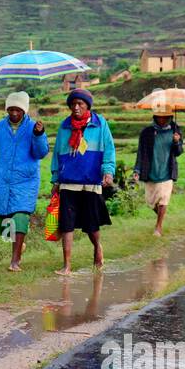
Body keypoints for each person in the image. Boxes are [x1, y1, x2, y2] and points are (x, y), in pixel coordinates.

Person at [50, 89, 115, 273]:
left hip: (91, 181)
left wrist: (108, 171)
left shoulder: (100, 123)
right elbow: (57, 153)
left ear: (87, 105)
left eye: (80, 104)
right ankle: (67, 266)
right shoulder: (64, 127)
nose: (76, 107)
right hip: (68, 180)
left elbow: (109, 149)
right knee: (67, 223)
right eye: (73, 104)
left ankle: (97, 247)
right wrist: (56, 179)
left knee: (91, 224)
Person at [0, 91, 49, 271]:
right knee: (6, 224)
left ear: (25, 110)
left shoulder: (33, 127)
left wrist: (39, 135)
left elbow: (41, 153)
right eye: (11, 109)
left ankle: (15, 261)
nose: (14, 113)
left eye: (18, 110)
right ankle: (18, 245)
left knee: (20, 215)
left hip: (26, 180)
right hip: (3, 178)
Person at [133, 111, 183, 236]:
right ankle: (161, 216)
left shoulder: (175, 130)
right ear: (155, 116)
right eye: (160, 116)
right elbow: (141, 152)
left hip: (167, 171)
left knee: (163, 199)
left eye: (165, 116)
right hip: (151, 171)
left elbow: (178, 152)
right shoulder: (147, 132)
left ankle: (158, 226)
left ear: (169, 117)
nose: (162, 119)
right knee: (150, 201)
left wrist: (177, 142)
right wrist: (137, 170)